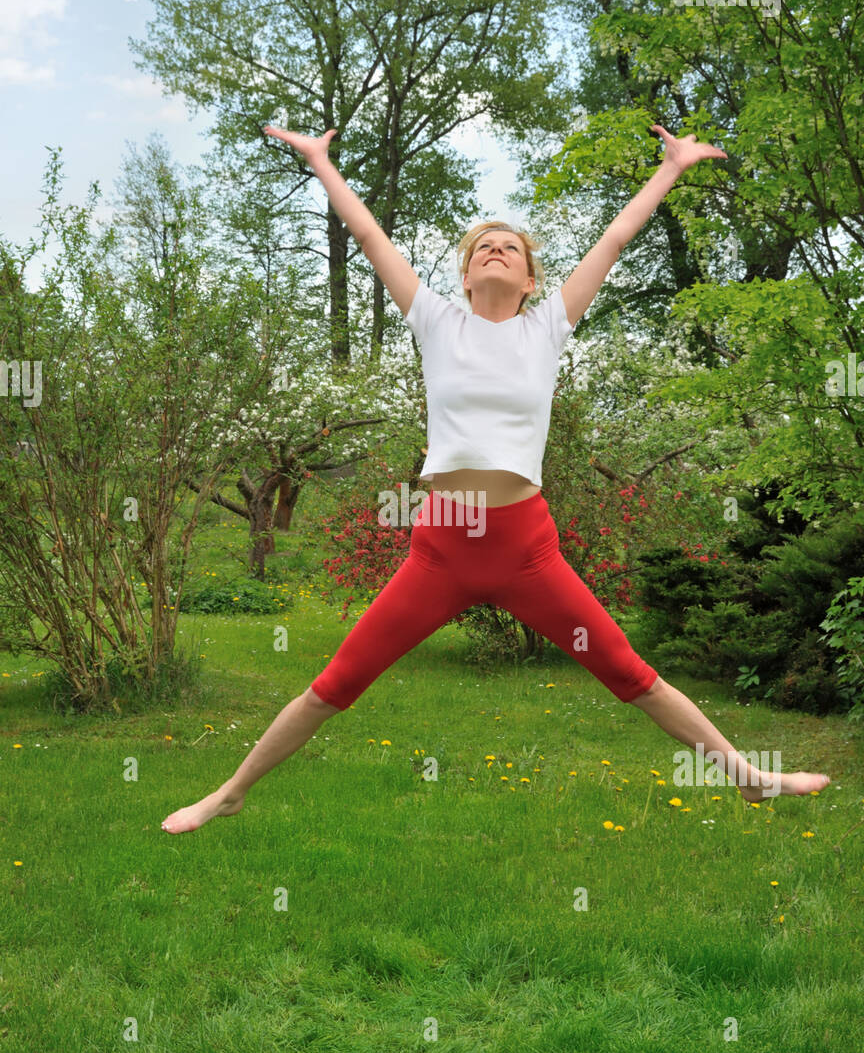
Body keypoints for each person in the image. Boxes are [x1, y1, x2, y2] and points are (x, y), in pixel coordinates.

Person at [161, 124, 830, 833]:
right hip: (442, 548)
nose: (496, 249)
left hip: (525, 549)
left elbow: (614, 240)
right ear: (465, 274)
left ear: (531, 278)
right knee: (336, 683)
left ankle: (747, 776)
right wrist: (323, 163)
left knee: (628, 673)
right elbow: (368, 235)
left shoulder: (546, 328)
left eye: (510, 245)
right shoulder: (435, 321)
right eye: (483, 246)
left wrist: (670, 170)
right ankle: (231, 790)